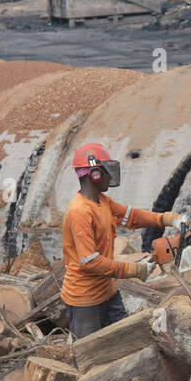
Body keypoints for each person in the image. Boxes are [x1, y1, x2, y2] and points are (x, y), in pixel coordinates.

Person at [61, 141, 179, 339]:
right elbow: (90, 262)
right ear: (95, 174)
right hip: (85, 301)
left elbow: (132, 216)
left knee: (127, 342)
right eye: (107, 170)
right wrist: (133, 270)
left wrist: (165, 218)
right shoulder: (80, 212)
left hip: (108, 292)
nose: (111, 176)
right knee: (90, 357)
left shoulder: (102, 202)